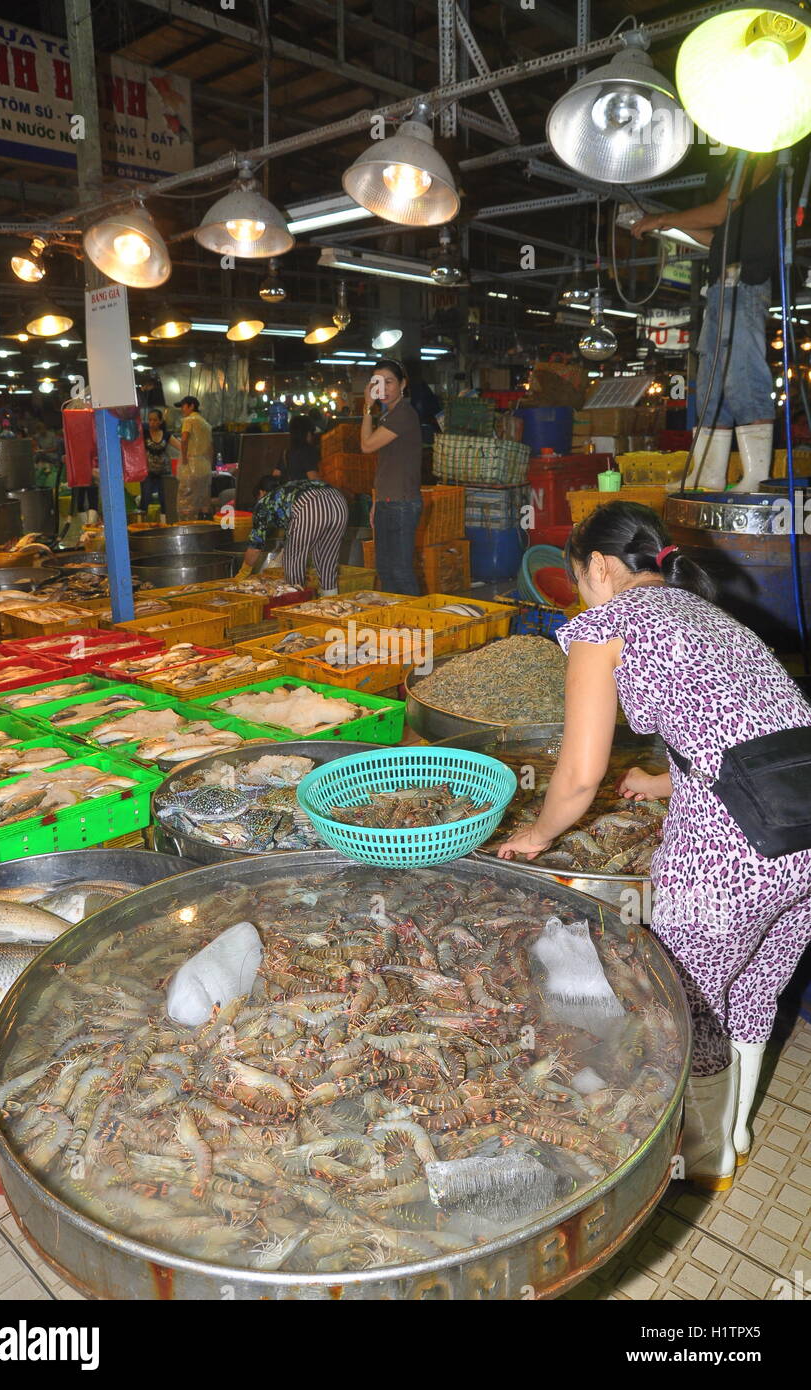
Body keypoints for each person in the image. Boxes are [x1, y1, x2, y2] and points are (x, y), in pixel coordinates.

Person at [498, 500, 811, 1191]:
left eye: (579, 579)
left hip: (733, 856)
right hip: (802, 831)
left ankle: (698, 1163)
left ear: (601, 568)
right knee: (755, 992)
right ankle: (733, 1140)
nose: (581, 595)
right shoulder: (711, 615)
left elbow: (577, 778)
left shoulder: (604, 624)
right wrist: (655, 780)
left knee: (682, 1008)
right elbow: (742, 739)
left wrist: (538, 832)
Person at [632, 154, 778, 492]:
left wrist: (663, 217)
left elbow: (718, 211)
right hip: (722, 285)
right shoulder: (743, 175)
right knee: (713, 378)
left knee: (742, 370)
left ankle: (758, 476)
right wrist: (668, 224)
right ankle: (708, 472)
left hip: (744, 282)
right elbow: (716, 237)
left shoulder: (763, 152)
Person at [360, 359, 423, 595]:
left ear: (403, 384)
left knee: (400, 571)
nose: (383, 388)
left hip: (402, 504)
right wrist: (377, 501)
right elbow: (384, 465)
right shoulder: (388, 416)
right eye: (377, 382)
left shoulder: (404, 414)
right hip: (388, 502)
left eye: (389, 382)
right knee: (385, 570)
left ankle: (419, 627)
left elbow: (366, 446)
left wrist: (367, 407)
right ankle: (396, 625)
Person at [234, 474, 348, 595]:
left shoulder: (263, 502)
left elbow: (255, 547)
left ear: (261, 493)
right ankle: (330, 599)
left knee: (294, 559)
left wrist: (244, 572)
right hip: (339, 501)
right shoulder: (287, 491)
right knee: (327, 558)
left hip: (309, 503)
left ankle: (295, 600)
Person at [174, 395, 212, 520]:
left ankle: (187, 531)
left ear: (192, 406)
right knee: (202, 500)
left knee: (186, 502)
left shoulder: (189, 420)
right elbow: (211, 447)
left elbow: (184, 440)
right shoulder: (206, 424)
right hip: (205, 466)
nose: (182, 409)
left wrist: (184, 458)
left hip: (191, 466)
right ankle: (204, 526)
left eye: (183, 406)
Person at [141, 409, 171, 514]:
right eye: (150, 420)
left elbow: (180, 446)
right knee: (146, 498)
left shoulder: (166, 435)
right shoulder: (144, 434)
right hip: (148, 471)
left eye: (155, 420)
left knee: (165, 499)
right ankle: (143, 523)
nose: (152, 423)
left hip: (164, 471)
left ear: (160, 421)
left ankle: (165, 521)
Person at [283, 414, 321, 482]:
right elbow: (314, 479)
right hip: (307, 491)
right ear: (308, 433)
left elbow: (276, 474)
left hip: (293, 491)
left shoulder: (286, 452)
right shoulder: (308, 451)